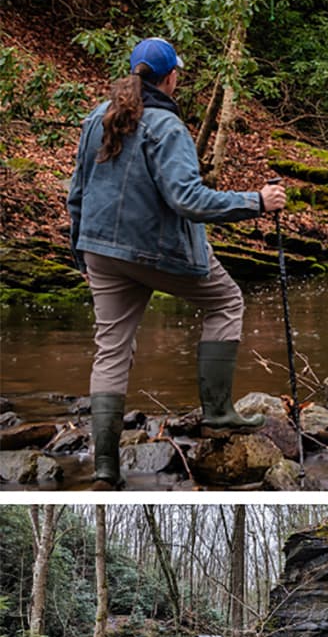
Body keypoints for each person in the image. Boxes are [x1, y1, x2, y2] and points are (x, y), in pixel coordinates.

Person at [67, 36, 287, 489]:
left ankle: (106, 468)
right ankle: (219, 414)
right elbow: (188, 200)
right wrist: (257, 201)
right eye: (178, 74)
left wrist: (80, 252)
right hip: (156, 251)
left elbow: (77, 194)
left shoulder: (95, 118)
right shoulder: (167, 127)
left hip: (100, 251)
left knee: (111, 349)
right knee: (226, 301)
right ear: (171, 78)